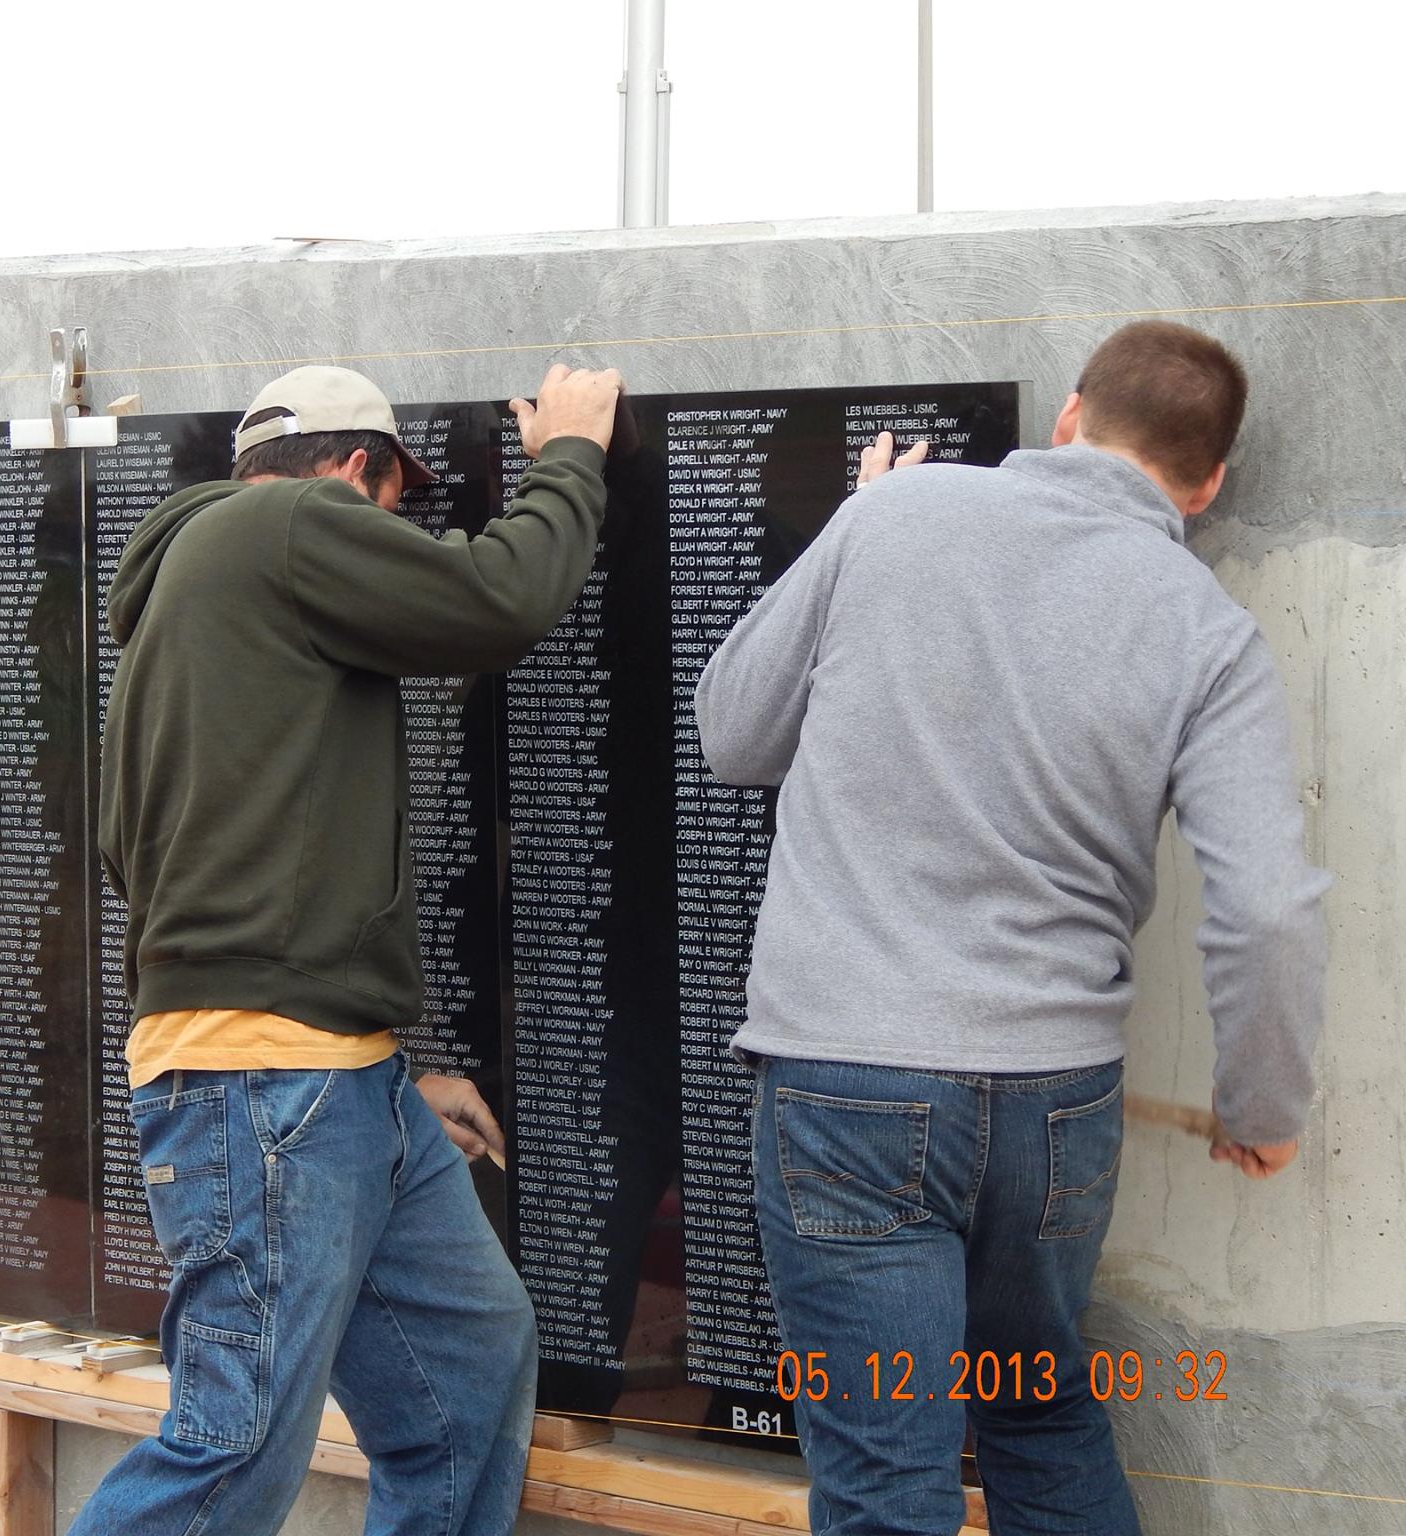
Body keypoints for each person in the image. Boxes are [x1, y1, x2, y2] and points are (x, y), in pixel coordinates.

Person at [695, 321, 1327, 1536]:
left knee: (886, 1472)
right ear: (1204, 486)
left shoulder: (892, 518)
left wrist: (858, 523)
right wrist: (1261, 1109)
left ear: (1067, 417)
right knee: (1039, 1418)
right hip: (1055, 1106)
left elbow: (733, 733)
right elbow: (1262, 908)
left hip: (848, 1084)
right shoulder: (1205, 631)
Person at [77, 361, 622, 1534]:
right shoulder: (287, 522)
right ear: (352, 470)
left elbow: (134, 858)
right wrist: (568, 458)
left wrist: (363, 1064)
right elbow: (498, 601)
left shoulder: (190, 595)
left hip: (320, 1078)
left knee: (467, 1375)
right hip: (266, 1085)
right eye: (394, 513)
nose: (392, 545)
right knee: (235, 1446)